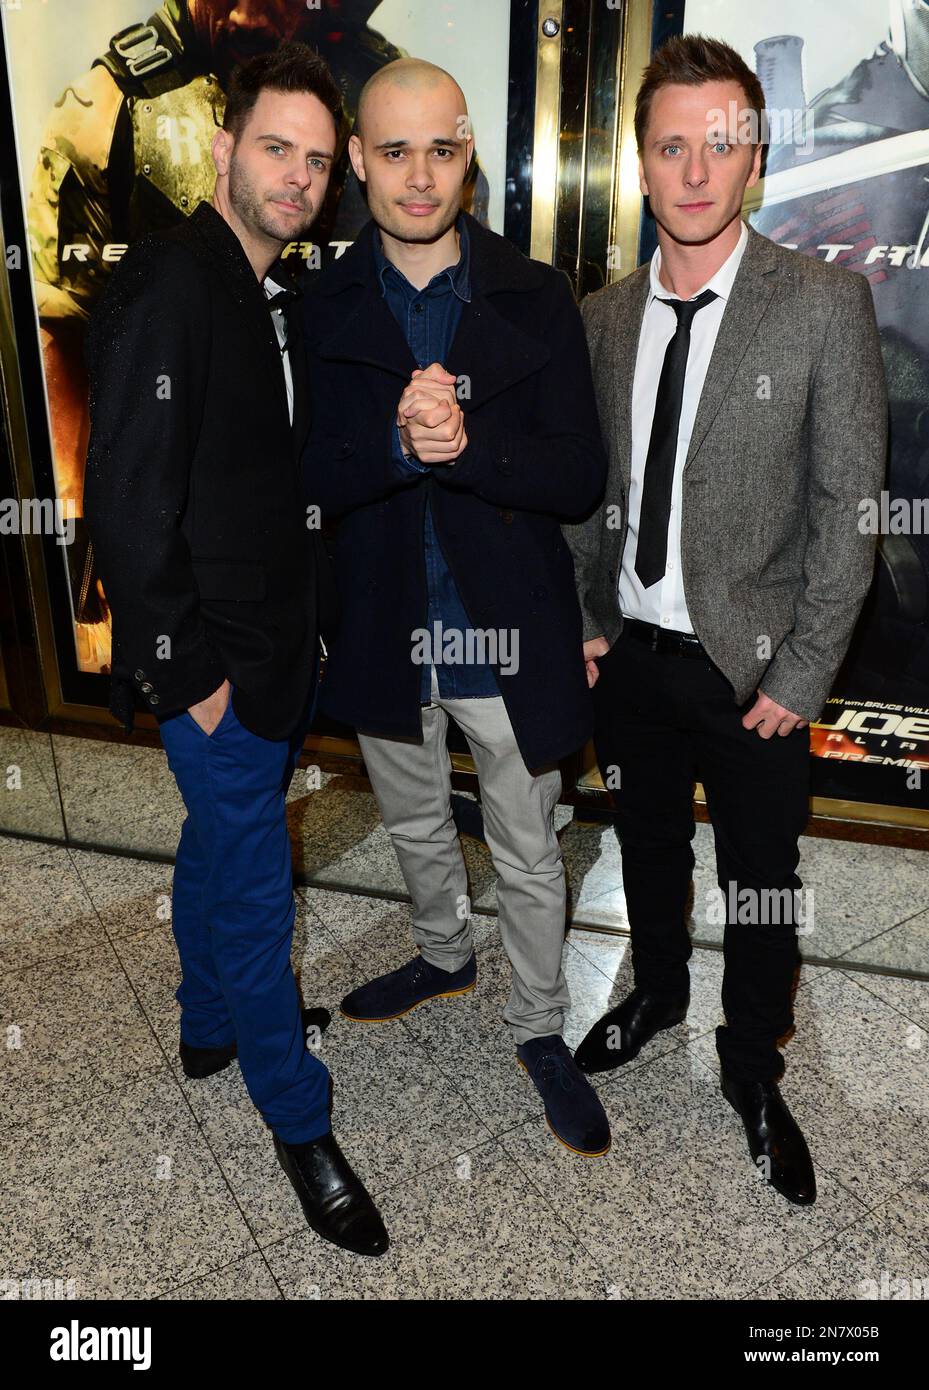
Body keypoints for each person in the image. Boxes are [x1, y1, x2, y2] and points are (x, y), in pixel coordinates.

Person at [564, 34, 888, 1204]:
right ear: (639, 164)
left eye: (720, 143)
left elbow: (846, 510)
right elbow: (583, 488)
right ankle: (654, 990)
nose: (695, 171)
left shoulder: (820, 305)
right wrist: (587, 611)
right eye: (670, 146)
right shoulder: (599, 316)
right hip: (633, 661)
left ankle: (751, 1065)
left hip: (753, 671)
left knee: (760, 877)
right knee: (643, 844)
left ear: (753, 157)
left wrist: (800, 676)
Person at [83, 41, 387, 1256]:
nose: (299, 177)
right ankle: (297, 1120)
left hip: (269, 650)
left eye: (317, 161)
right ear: (222, 147)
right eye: (277, 148)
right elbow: (127, 498)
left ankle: (206, 1020)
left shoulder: (266, 286)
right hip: (214, 664)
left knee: (223, 844)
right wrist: (187, 676)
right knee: (260, 892)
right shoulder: (172, 279)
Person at [302, 58, 611, 1157]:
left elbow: (575, 473)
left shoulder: (532, 294)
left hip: (503, 623)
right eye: (392, 151)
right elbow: (311, 471)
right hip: (386, 615)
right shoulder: (322, 300)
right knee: (414, 812)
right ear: (357, 161)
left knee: (528, 846)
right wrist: (392, 443)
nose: (418, 176)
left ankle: (538, 1028)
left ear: (468, 153)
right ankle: (443, 952)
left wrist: (473, 448)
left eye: (440, 149)